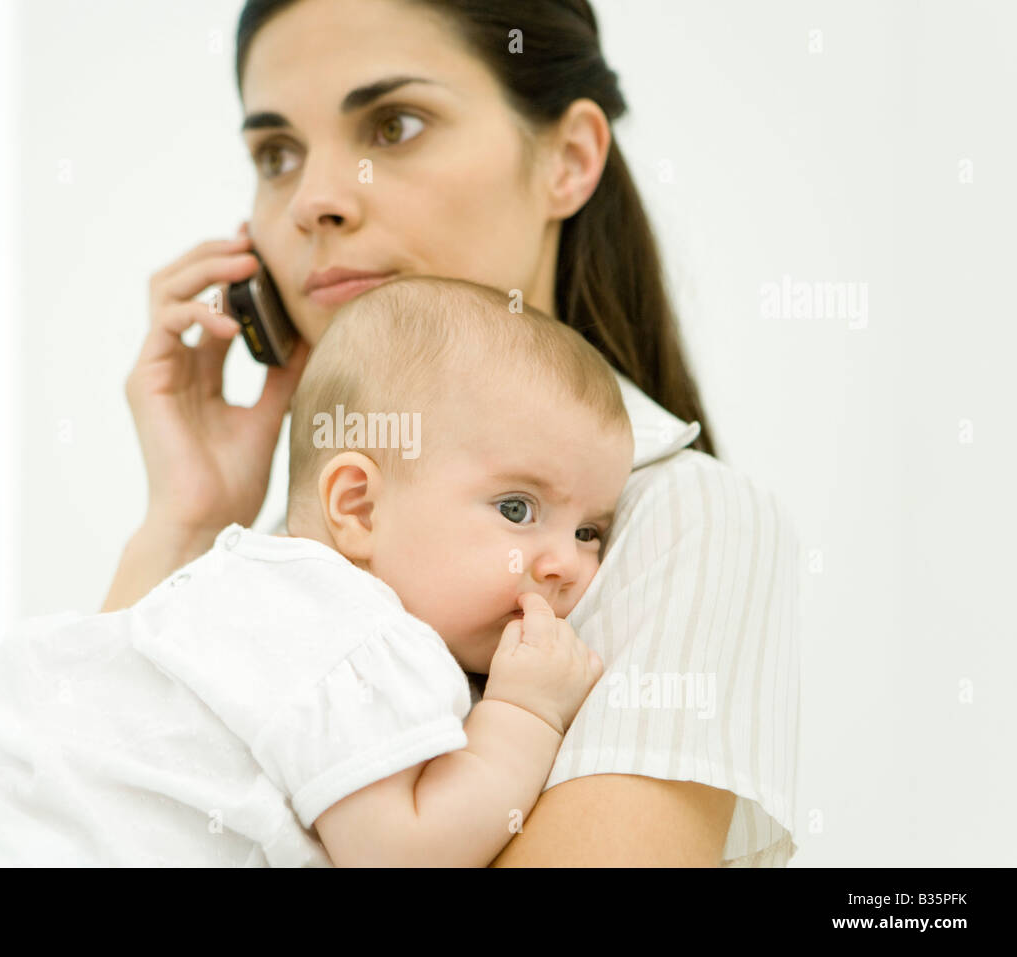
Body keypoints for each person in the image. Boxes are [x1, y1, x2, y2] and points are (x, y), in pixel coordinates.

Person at [103, 0, 801, 866]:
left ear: (569, 160)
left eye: (393, 125)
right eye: (277, 154)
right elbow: (82, 788)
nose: (315, 200)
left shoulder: (681, 520)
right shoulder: (292, 545)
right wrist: (186, 518)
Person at [0, 279, 627, 867]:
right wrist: (526, 715)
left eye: (591, 529)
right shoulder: (356, 634)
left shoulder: (242, 585)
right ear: (358, 506)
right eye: (518, 509)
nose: (568, 564)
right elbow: (400, 851)